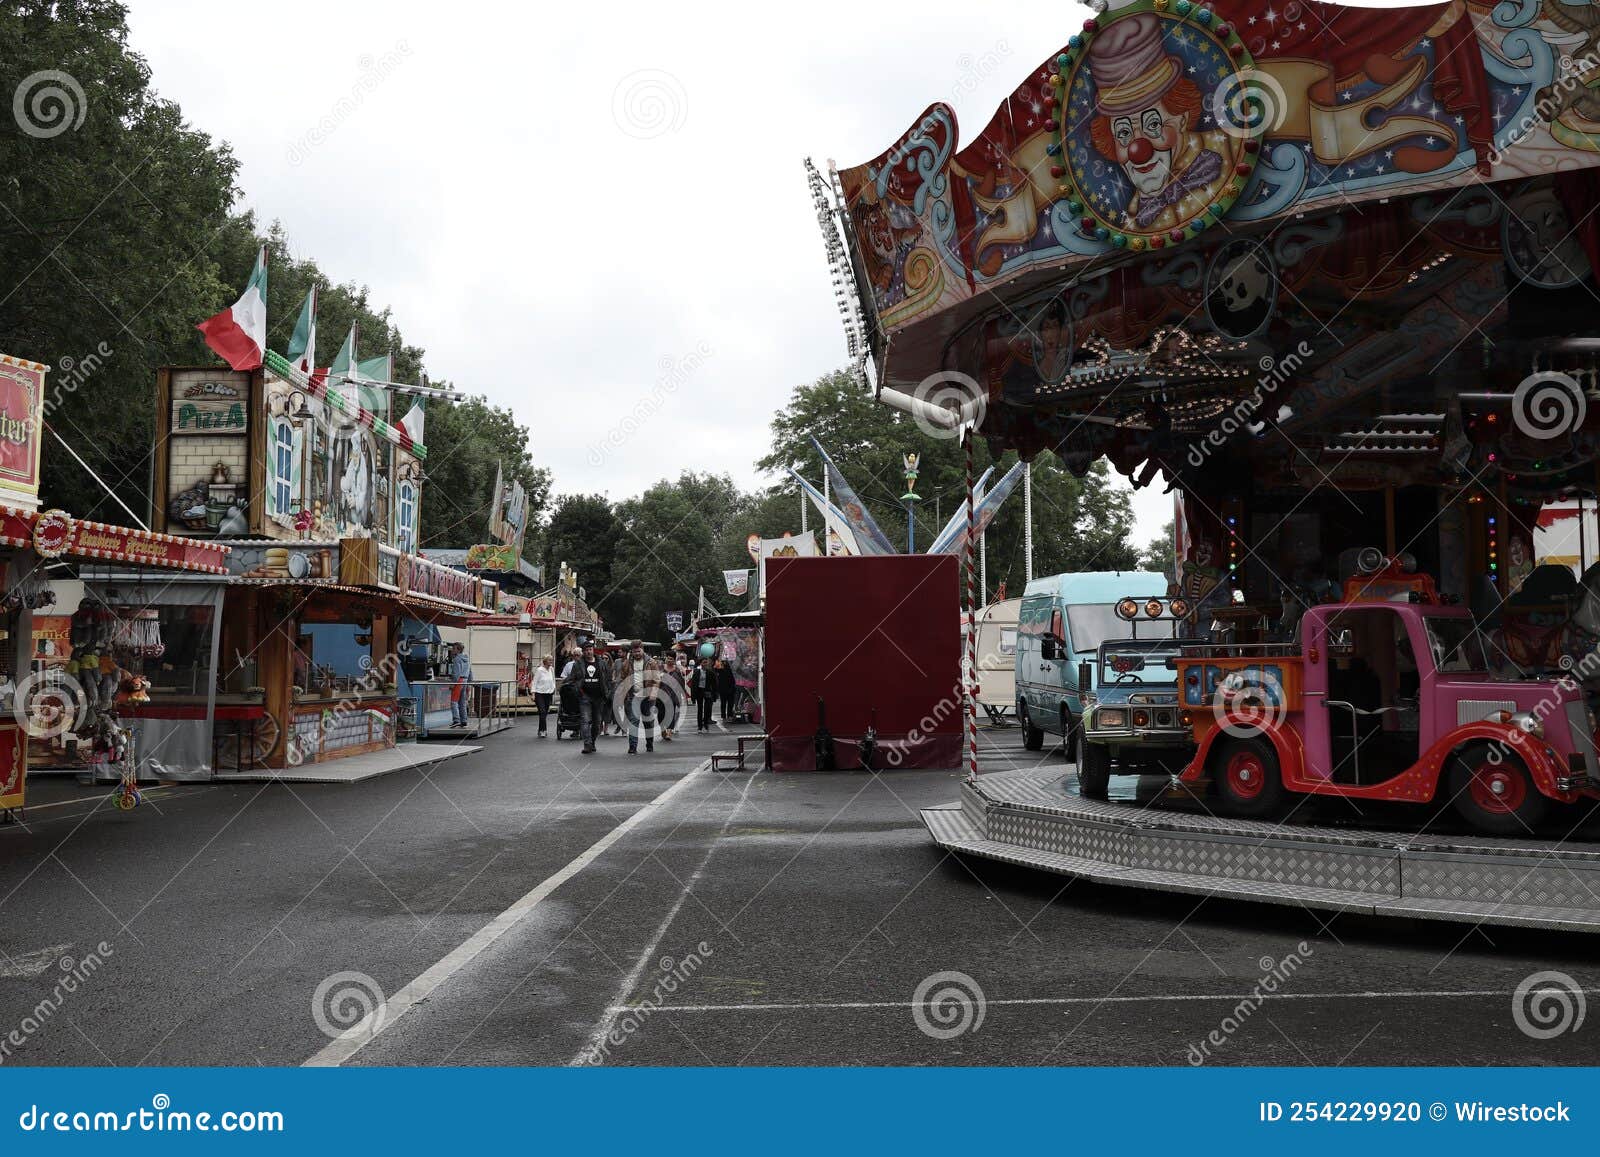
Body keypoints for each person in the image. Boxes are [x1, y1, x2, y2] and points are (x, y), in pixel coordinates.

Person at [577, 645, 611, 754]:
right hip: (585, 696)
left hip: (599, 697)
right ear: (583, 652)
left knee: (597, 723)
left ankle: (592, 741)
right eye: (586, 650)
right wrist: (578, 690)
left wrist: (608, 691)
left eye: (590, 650)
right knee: (585, 720)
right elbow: (573, 678)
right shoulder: (578, 664)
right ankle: (587, 744)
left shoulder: (601, 663)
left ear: (593, 650)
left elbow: (608, 678)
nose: (588, 652)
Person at [448, 642, 473, 728]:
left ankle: (456, 720)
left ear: (458, 650)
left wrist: (453, 684)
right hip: (465, 681)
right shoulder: (467, 659)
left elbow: (456, 673)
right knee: (462, 702)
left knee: (453, 701)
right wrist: (470, 682)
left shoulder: (457, 659)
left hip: (458, 681)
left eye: (454, 648)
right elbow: (470, 672)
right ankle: (464, 720)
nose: (452, 650)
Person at [532, 655, 556, 737]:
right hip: (539, 694)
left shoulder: (551, 669)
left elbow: (553, 680)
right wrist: (533, 694)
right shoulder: (539, 670)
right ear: (545, 661)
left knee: (544, 713)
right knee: (542, 712)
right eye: (549, 660)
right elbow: (534, 682)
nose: (551, 662)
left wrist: (553, 688)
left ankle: (540, 729)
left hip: (548, 694)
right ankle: (543, 730)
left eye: (552, 660)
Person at [693, 656, 715, 732]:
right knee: (700, 709)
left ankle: (706, 724)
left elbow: (714, 684)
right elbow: (693, 684)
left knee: (707, 709)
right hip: (699, 691)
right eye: (704, 662)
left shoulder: (710, 672)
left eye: (706, 662)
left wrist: (714, 695)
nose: (705, 664)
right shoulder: (696, 672)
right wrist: (693, 696)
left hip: (707, 691)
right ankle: (699, 726)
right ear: (700, 663)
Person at [716, 657, 737, 722]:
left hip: (726, 689)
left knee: (725, 703)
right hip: (728, 689)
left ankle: (726, 716)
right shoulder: (723, 670)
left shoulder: (721, 670)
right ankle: (728, 716)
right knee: (727, 703)